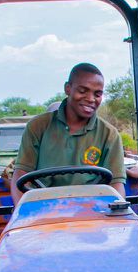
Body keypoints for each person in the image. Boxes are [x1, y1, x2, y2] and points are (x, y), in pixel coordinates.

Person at [8, 63, 125, 200]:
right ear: (68, 89)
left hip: (91, 208)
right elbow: (21, 173)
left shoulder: (109, 135)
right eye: (82, 91)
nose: (91, 99)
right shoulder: (38, 126)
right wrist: (26, 212)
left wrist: (116, 208)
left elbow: (116, 183)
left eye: (97, 94)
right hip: (44, 205)